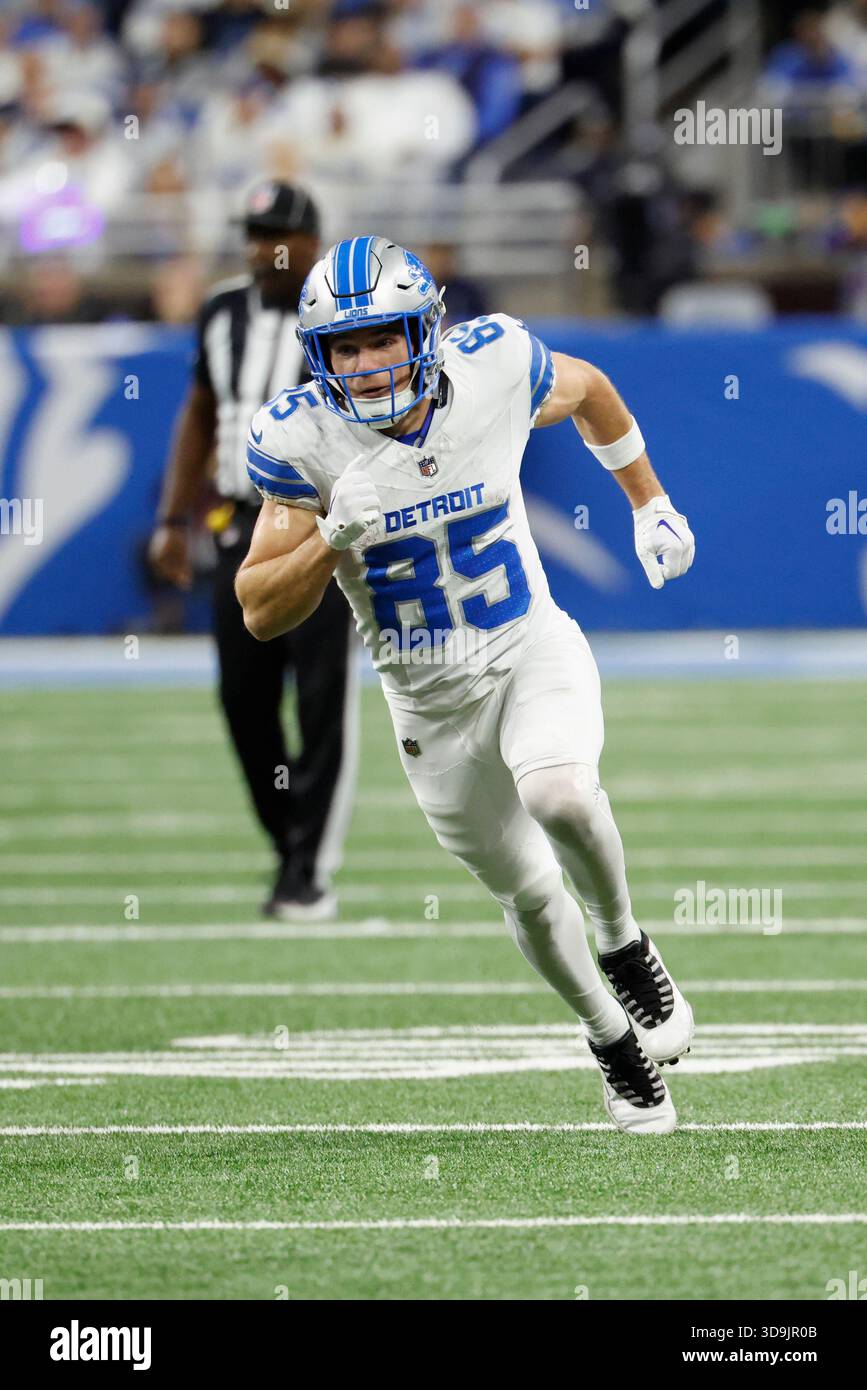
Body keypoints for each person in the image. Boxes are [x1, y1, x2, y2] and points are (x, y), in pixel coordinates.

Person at [235, 236, 696, 1132]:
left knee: (559, 793)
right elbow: (258, 609)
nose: (365, 366)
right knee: (523, 890)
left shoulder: (491, 368)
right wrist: (331, 537)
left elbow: (591, 388)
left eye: (381, 339)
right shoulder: (301, 439)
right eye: (344, 348)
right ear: (318, 356)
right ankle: (608, 1039)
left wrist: (649, 502)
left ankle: (622, 940)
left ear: (425, 330)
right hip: (426, 701)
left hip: (527, 646)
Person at [149, 183, 357, 921]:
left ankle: (308, 870)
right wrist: (175, 517)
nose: (260, 249)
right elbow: (200, 412)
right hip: (237, 522)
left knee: (323, 696)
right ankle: (286, 843)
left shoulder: (343, 314)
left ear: (312, 241)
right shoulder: (221, 310)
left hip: (322, 528)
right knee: (243, 699)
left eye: (277, 234)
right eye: (252, 233)